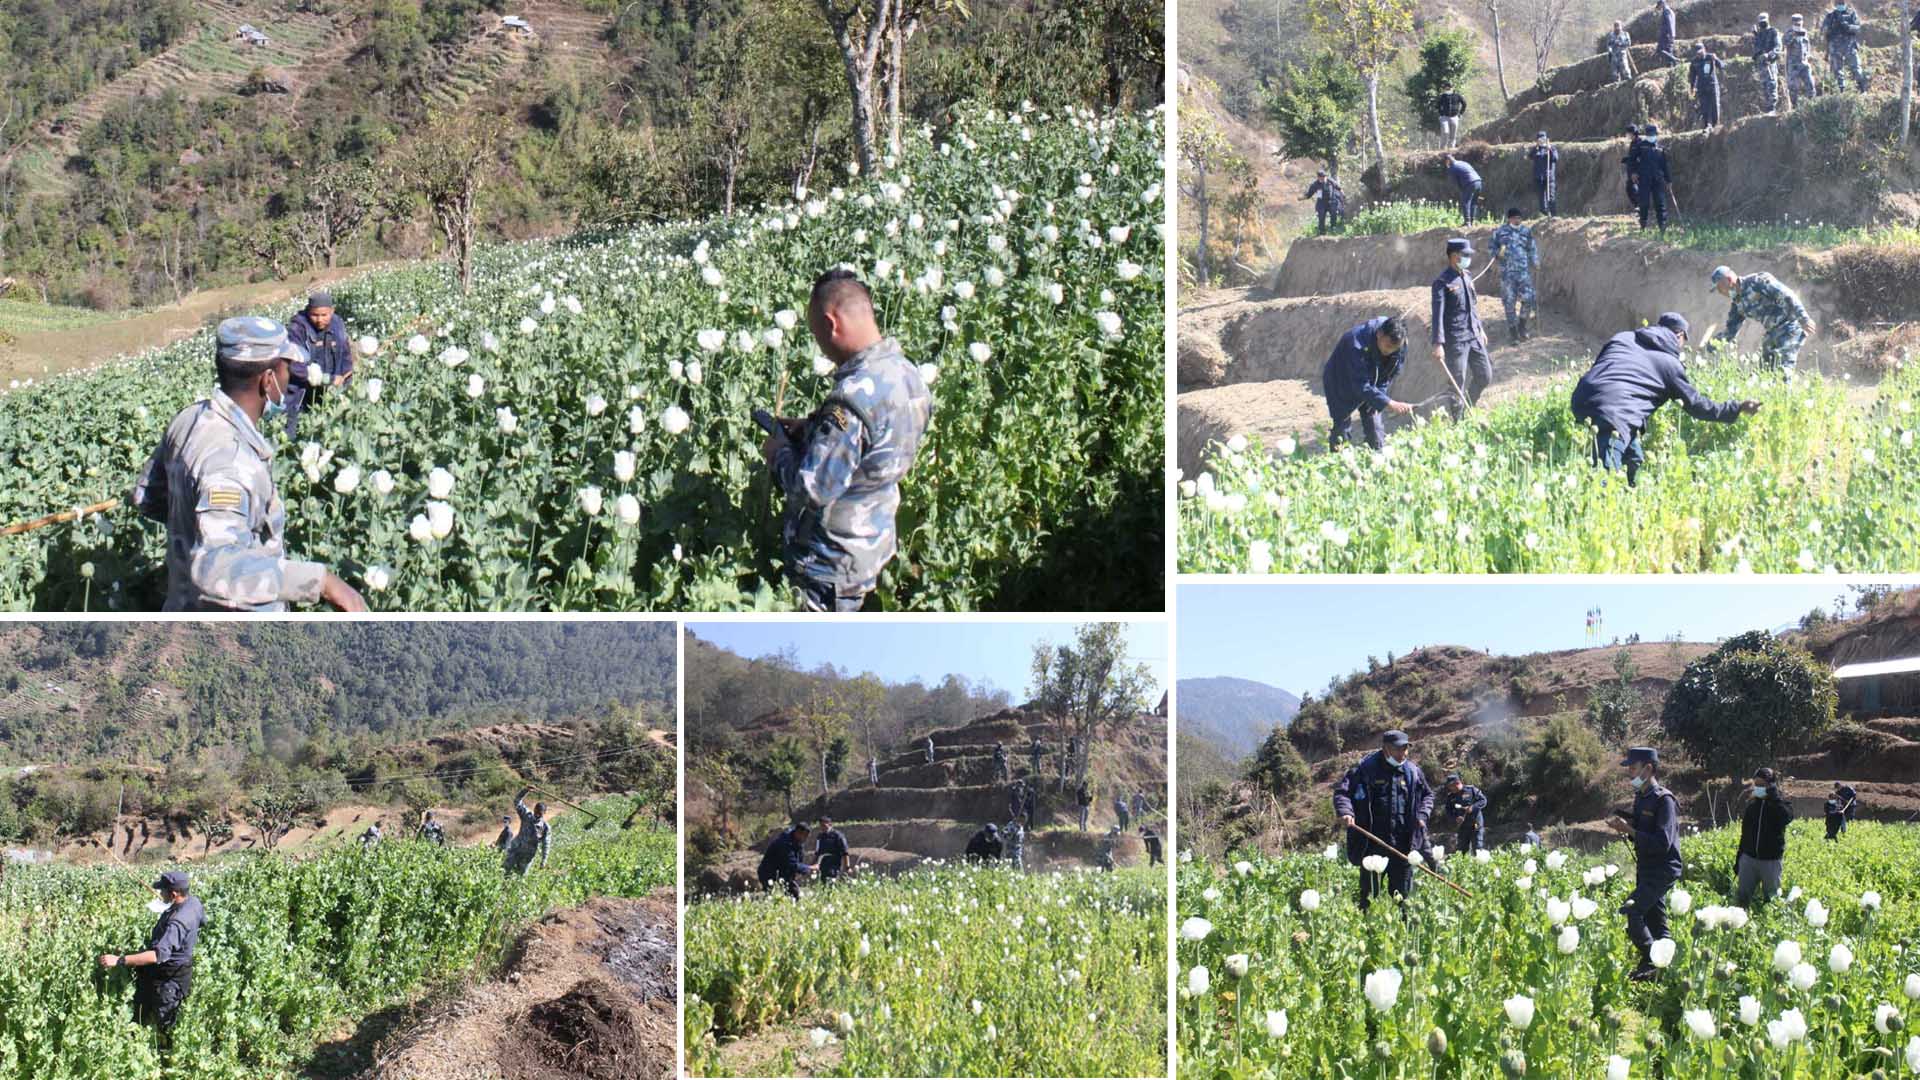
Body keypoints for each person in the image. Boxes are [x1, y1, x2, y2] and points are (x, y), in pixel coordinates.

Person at [132, 316, 367, 613]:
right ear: (267, 380)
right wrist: (321, 582)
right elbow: (216, 570)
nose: (289, 377)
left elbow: (146, 498)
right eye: (285, 369)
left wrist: (194, 532)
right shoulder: (231, 464)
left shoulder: (189, 418)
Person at [764, 269, 932, 612]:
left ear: (831, 324)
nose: (821, 347)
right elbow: (874, 445)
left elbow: (812, 489)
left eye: (816, 333)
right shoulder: (908, 374)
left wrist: (779, 453)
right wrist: (811, 430)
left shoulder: (851, 399)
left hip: (829, 563)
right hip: (871, 546)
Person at [1571, 313, 1761, 485]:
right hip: (1617, 411)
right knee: (1606, 475)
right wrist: (1737, 408)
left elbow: (1602, 367)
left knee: (1633, 458)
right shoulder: (1670, 365)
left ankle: (1630, 499)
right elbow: (1697, 405)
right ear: (1679, 335)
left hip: (1583, 397)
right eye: (1684, 341)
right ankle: (1599, 511)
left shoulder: (1623, 338)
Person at [1332, 730, 1434, 910]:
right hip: (1372, 846)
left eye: (1405, 749)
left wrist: (1422, 814)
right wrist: (1346, 812)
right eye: (1398, 749)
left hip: (1403, 846)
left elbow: (1427, 795)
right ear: (1385, 748)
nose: (1403, 753)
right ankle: (1370, 933)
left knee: (1403, 899)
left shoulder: (1413, 771)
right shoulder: (1365, 769)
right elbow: (1343, 792)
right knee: (1369, 899)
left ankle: (1403, 934)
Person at [98, 871, 205, 1042]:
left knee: (166, 1022)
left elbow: (157, 955)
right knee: (144, 1003)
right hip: (174, 971)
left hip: (169, 977)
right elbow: (201, 922)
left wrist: (119, 960)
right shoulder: (193, 903)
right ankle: (137, 1035)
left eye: (163, 891)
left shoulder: (177, 922)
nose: (160, 893)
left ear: (174, 894)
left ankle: (165, 1056)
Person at [1605, 747, 1683, 982]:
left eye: (1633, 768)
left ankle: (1652, 961)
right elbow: (1641, 831)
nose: (1630, 773)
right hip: (1646, 867)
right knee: (1654, 919)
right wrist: (1625, 826)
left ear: (1648, 768)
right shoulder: (1641, 797)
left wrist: (1629, 829)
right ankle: (1667, 966)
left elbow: (1662, 842)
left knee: (1633, 909)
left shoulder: (1664, 800)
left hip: (1662, 868)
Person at [1321, 316, 1412, 450]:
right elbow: (1360, 385)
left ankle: (1377, 459)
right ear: (1379, 334)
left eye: (1395, 348)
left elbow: (1388, 375)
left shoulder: (1400, 345)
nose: (1390, 351)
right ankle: (1338, 462)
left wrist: (1379, 398)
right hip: (1341, 380)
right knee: (1342, 427)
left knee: (1375, 425)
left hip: (1370, 382)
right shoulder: (1356, 343)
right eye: (1387, 346)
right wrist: (1389, 403)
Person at [1712, 265, 1817, 372]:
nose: (1720, 293)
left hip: (1789, 328)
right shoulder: (1737, 303)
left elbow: (1787, 295)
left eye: (1720, 288)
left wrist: (1804, 318)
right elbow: (1731, 329)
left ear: (1729, 280)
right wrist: (1716, 343)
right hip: (1772, 333)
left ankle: (1785, 386)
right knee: (1765, 372)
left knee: (1784, 371)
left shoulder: (1757, 282)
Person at [1430, 238, 1492, 418]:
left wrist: (1480, 328)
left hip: (1473, 336)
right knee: (1457, 382)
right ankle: (1459, 421)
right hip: (1456, 340)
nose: (1468, 258)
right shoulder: (1442, 282)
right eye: (1465, 255)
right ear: (1454, 256)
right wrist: (1437, 343)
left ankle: (1468, 407)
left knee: (1485, 375)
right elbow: (1437, 315)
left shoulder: (1467, 276)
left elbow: (1472, 307)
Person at [282, 291, 354, 438]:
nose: (319, 320)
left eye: (324, 315)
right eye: (315, 315)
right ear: (308, 311)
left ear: (332, 311)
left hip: (329, 393)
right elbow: (294, 366)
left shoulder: (337, 324)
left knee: (328, 433)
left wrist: (346, 382)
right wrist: (328, 379)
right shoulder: (297, 329)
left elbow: (345, 354)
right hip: (301, 393)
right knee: (292, 436)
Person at [1735, 768, 1794, 905]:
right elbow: (1745, 834)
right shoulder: (1752, 806)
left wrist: (1774, 798)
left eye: (1762, 784)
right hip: (1749, 859)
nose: (1758, 788)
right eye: (1756, 784)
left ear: (1771, 785)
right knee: (1742, 899)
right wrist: (1739, 857)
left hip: (1771, 861)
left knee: (1771, 900)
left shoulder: (1781, 804)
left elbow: (1787, 817)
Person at [1488, 208, 1542, 345]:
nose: (1518, 220)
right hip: (1507, 275)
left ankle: (1522, 326)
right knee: (1509, 303)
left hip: (1523, 273)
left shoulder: (1526, 231)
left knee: (1529, 299)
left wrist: (1535, 261)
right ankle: (1513, 333)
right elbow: (1491, 248)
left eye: (1520, 218)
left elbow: (1532, 248)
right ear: (1510, 219)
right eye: (1516, 218)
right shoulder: (1500, 232)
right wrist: (1497, 253)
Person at [1821, 0, 1868, 91]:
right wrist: (1830, 29)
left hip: (1849, 46)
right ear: (1835, 3)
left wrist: (1848, 26)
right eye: (1838, 3)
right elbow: (1823, 30)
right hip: (1835, 48)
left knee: (1856, 68)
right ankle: (1840, 91)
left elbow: (1858, 28)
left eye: (1842, 2)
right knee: (1837, 71)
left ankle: (1862, 89)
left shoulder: (1851, 14)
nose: (1840, 4)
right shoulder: (1831, 16)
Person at [758, 822, 814, 898]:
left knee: (794, 895)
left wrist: (799, 871)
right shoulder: (784, 843)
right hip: (769, 874)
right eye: (805, 836)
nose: (806, 839)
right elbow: (791, 863)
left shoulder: (797, 841)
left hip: (783, 873)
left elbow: (799, 858)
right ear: (798, 833)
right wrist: (809, 868)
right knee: (774, 897)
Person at [1635, 124, 1673, 233]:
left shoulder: (1660, 148)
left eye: (1653, 134)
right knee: (1644, 203)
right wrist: (1634, 172)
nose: (1651, 136)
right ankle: (1643, 226)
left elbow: (1664, 166)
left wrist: (1668, 180)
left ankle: (1662, 227)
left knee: (1660, 203)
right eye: (1649, 134)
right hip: (1644, 179)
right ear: (1646, 135)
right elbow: (1632, 161)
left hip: (1657, 180)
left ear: (1656, 135)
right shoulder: (1640, 146)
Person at [503, 788, 550, 876]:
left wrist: (543, 861)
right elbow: (517, 801)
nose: (537, 814)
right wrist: (525, 791)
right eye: (536, 811)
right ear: (534, 809)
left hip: (527, 855)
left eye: (540, 813)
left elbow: (546, 845)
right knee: (505, 870)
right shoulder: (526, 815)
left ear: (544, 813)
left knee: (520, 877)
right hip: (516, 849)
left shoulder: (545, 827)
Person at [1439, 773, 1489, 853]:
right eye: (1449, 786)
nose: (1450, 788)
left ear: (1457, 783)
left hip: (1475, 824)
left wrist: (1472, 808)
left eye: (1451, 786)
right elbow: (1448, 811)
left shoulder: (1471, 790)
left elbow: (1483, 800)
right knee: (1461, 850)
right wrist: (1455, 818)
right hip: (1463, 827)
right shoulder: (1451, 797)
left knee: (1478, 848)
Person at [1689, 44, 1727, 129]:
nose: (1699, 55)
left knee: (1715, 107)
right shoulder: (1694, 62)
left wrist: (1716, 59)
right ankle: (1706, 126)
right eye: (1697, 53)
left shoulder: (1710, 57)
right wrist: (1692, 88)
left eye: (1700, 52)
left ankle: (1716, 125)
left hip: (1712, 85)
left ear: (1704, 50)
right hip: (1701, 88)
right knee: (1704, 107)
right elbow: (1692, 76)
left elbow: (1722, 66)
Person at [1752, 13, 1784, 114]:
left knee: (1771, 84)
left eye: (1764, 21)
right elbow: (1756, 49)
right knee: (1764, 85)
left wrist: (1769, 54)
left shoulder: (1773, 32)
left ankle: (1773, 108)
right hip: (1761, 63)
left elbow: (1778, 46)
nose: (1762, 23)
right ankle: (1767, 108)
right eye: (1761, 22)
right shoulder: (1759, 34)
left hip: (1770, 62)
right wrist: (1755, 36)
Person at [1786, 15, 1821, 102]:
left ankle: (1812, 103)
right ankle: (1794, 106)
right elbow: (1785, 43)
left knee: (1810, 83)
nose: (1798, 26)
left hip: (1804, 63)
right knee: (1793, 87)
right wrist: (1793, 36)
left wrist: (1809, 55)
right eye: (1796, 24)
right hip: (1793, 64)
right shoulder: (1788, 33)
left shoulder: (1804, 32)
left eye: (1799, 23)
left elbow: (1807, 45)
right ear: (1793, 23)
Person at [1441, 153, 1483, 225]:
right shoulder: (1463, 162)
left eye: (1445, 162)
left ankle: (1467, 223)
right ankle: (1472, 222)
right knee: (1473, 203)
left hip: (1470, 184)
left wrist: (1462, 191)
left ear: (1447, 161)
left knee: (1465, 202)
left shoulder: (1452, 168)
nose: (1445, 164)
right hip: (1479, 182)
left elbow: (1456, 182)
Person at [1528, 132, 1559, 215]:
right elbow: (1530, 156)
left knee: (1551, 197)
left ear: (1546, 139)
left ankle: (1553, 215)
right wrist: (1536, 147)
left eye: (1543, 139)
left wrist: (1550, 150)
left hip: (1549, 178)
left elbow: (1555, 158)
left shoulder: (1552, 148)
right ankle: (1545, 213)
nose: (1542, 141)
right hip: (1539, 178)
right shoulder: (1536, 149)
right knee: (1541, 200)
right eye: (1540, 139)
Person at [813, 816, 851, 881]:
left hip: (834, 864)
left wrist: (847, 867)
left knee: (832, 883)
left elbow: (845, 852)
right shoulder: (820, 837)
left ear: (830, 824)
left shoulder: (838, 836)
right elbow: (817, 852)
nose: (822, 827)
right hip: (822, 865)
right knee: (823, 884)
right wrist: (811, 865)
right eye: (821, 826)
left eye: (824, 825)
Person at [1621, 125, 1646, 209]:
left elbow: (1640, 158)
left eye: (1628, 133)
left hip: (1637, 171)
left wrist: (1636, 172)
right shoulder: (1633, 143)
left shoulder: (1640, 143)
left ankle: (1641, 207)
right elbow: (1633, 157)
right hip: (1631, 171)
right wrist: (1627, 159)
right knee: (1629, 189)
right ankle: (1637, 206)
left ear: (1633, 133)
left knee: (1636, 189)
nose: (1627, 135)